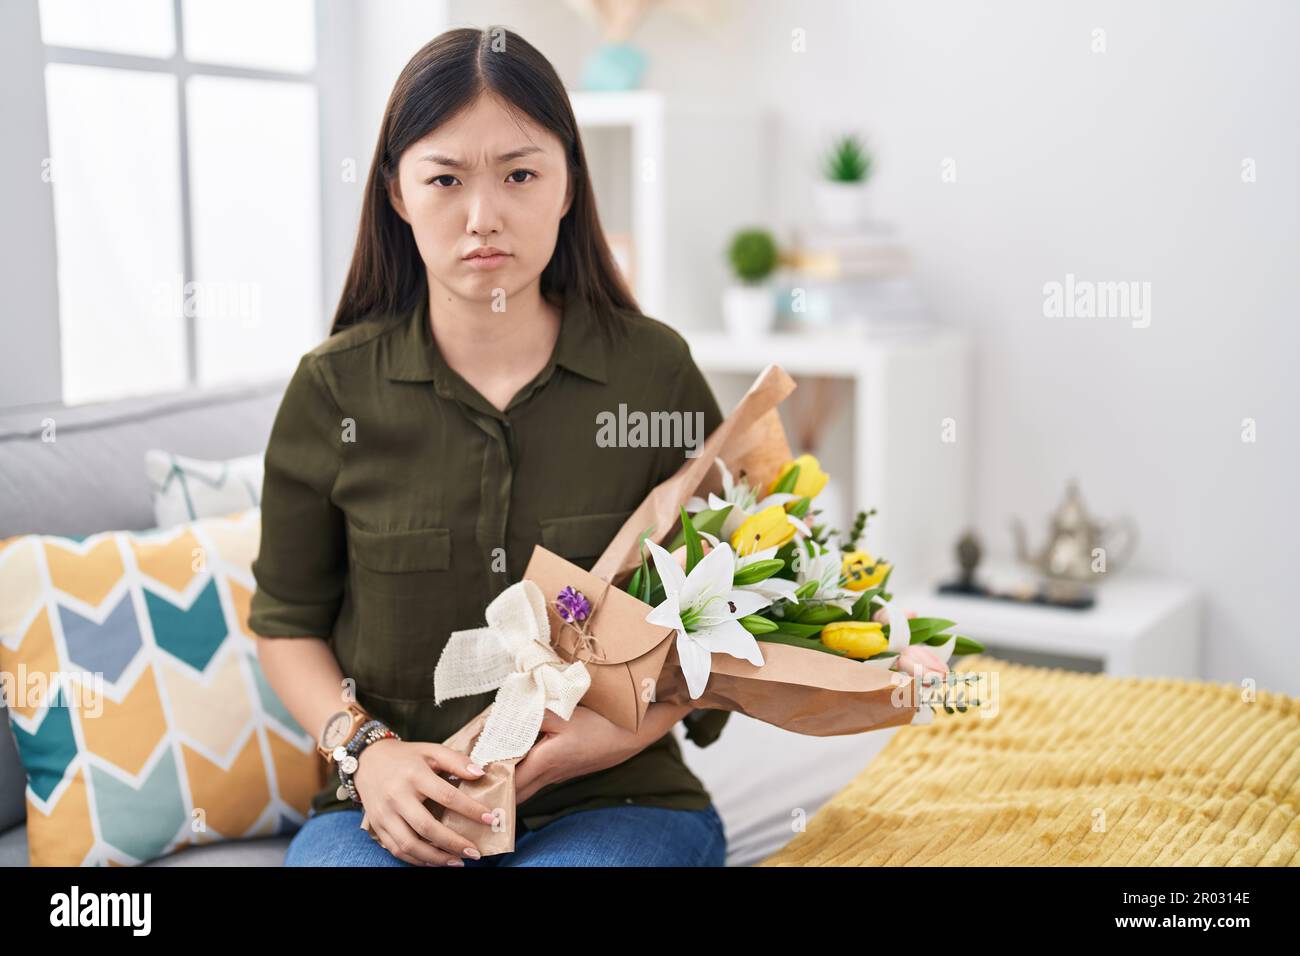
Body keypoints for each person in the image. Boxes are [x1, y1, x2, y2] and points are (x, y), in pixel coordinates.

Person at [249, 26, 729, 867]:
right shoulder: (333, 391)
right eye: (444, 178)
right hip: (388, 814)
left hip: (619, 803)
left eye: (520, 174)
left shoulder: (654, 374)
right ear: (398, 193)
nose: (483, 218)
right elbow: (287, 626)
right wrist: (368, 756)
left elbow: (721, 622)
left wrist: (607, 742)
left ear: (568, 183)